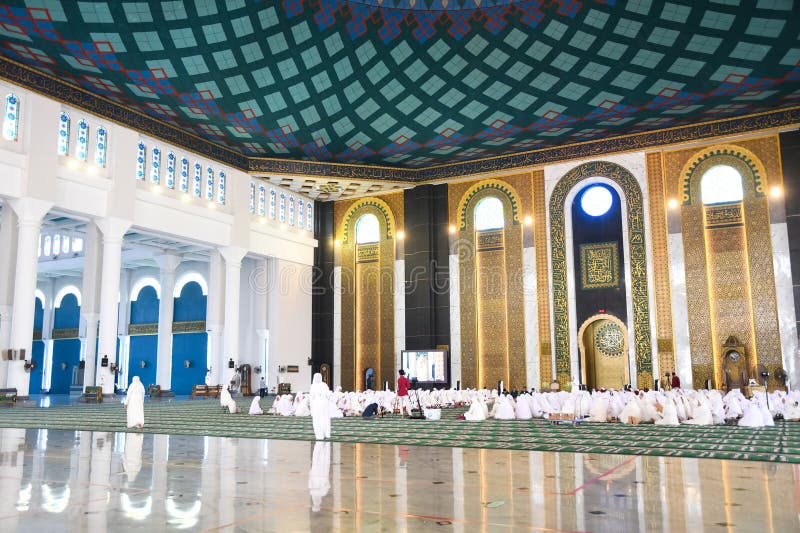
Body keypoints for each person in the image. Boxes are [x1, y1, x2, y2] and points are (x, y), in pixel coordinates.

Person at [309, 372, 331, 440]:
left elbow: (311, 397)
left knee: (319, 419)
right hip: (322, 403)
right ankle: (325, 434)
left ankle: (321, 435)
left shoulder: (314, 386)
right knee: (323, 418)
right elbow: (328, 395)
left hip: (318, 404)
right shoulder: (324, 385)